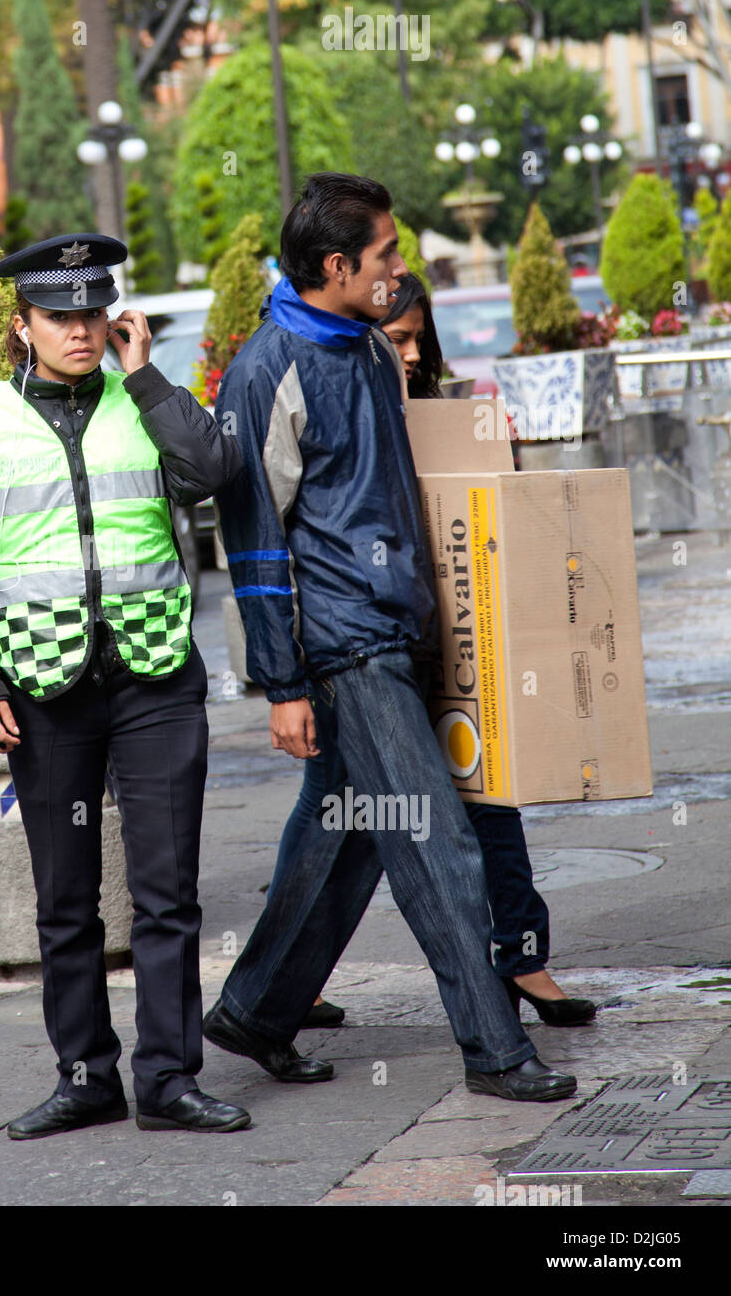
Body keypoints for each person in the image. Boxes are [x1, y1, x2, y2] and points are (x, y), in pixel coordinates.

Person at [202, 173, 577, 1102]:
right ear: (337, 266)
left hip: (397, 631)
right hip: (342, 651)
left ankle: (254, 1010)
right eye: (387, 256)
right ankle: (495, 1050)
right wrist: (283, 684)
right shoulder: (264, 370)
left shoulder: (371, 348)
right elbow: (251, 541)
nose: (401, 270)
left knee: (352, 834)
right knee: (437, 843)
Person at [0, 232, 272, 1137]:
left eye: (92, 314)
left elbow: (217, 470)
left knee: (168, 890)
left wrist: (148, 377)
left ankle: (168, 1080)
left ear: (115, 319)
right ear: (22, 326)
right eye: (59, 317)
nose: (79, 331)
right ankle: (85, 1077)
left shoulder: (142, 404)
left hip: (154, 675)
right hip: (41, 688)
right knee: (65, 901)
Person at [271, 273, 596, 1030]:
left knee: (487, 790)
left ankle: (522, 958)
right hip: (356, 648)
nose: (413, 354)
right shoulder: (332, 410)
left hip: (458, 638)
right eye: (397, 338)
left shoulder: (452, 416)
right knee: (337, 811)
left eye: (421, 337)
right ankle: (289, 980)